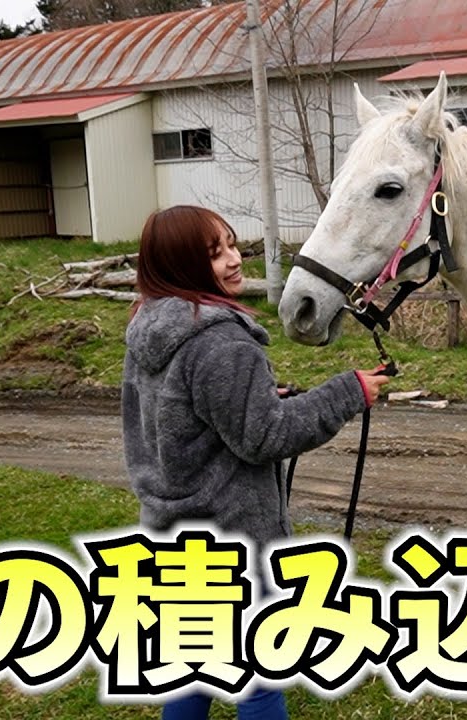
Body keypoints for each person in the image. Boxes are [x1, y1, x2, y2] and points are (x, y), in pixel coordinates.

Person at [121, 205, 391, 720]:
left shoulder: (149, 329)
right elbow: (266, 436)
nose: (232, 260)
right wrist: (347, 392)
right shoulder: (220, 343)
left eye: (231, 245)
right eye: (213, 253)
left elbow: (182, 415)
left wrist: (259, 399)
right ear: (179, 264)